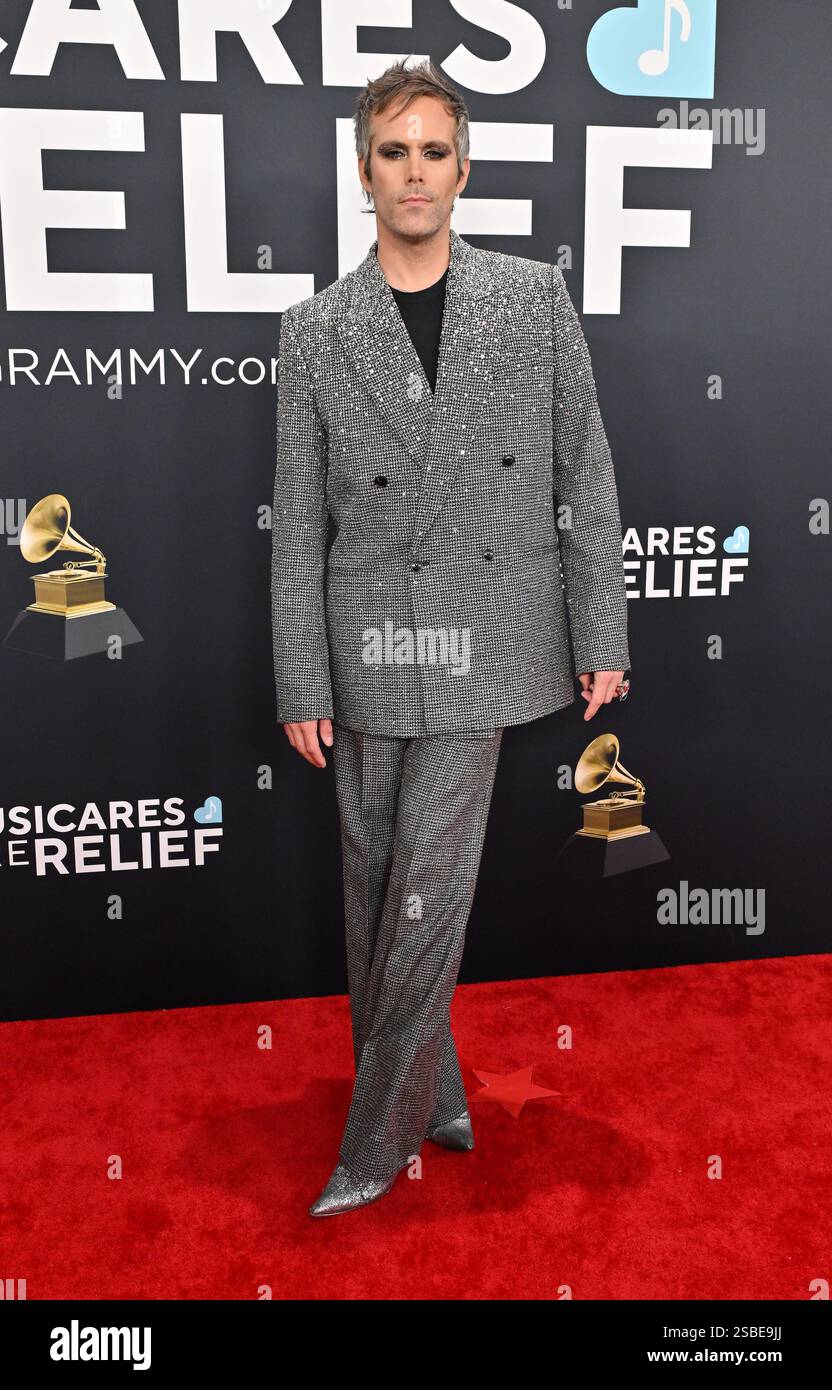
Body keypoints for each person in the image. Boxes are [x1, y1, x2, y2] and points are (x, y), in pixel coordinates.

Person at [270, 58, 631, 1217]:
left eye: (433, 150)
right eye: (393, 151)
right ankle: (433, 1091)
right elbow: (298, 525)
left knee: (424, 885)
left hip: (482, 628)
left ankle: (372, 1146)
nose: (413, 171)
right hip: (368, 639)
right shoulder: (314, 330)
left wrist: (599, 625)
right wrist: (300, 673)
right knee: (376, 884)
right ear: (363, 171)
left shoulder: (529, 301)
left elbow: (585, 472)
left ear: (461, 169)